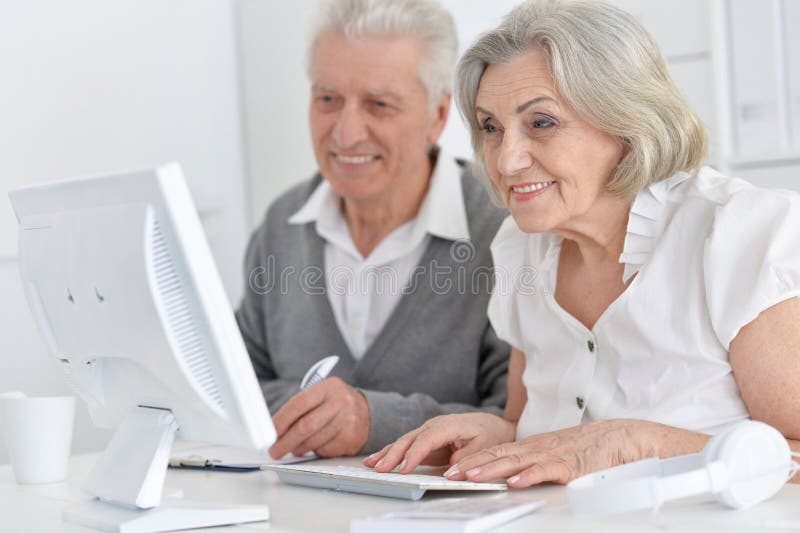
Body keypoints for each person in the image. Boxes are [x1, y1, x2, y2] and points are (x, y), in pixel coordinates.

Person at [365, 0, 800, 486]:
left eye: (541, 122)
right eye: (491, 127)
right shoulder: (520, 249)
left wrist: (638, 444)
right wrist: (494, 434)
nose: (506, 161)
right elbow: (540, 430)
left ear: (627, 123)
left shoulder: (738, 234)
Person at [236, 0, 510, 460]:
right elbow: (234, 387)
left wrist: (374, 421)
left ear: (438, 116)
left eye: (379, 105)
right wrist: (324, 418)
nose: (345, 134)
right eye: (328, 99)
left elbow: (516, 420)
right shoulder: (281, 226)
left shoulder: (502, 231)